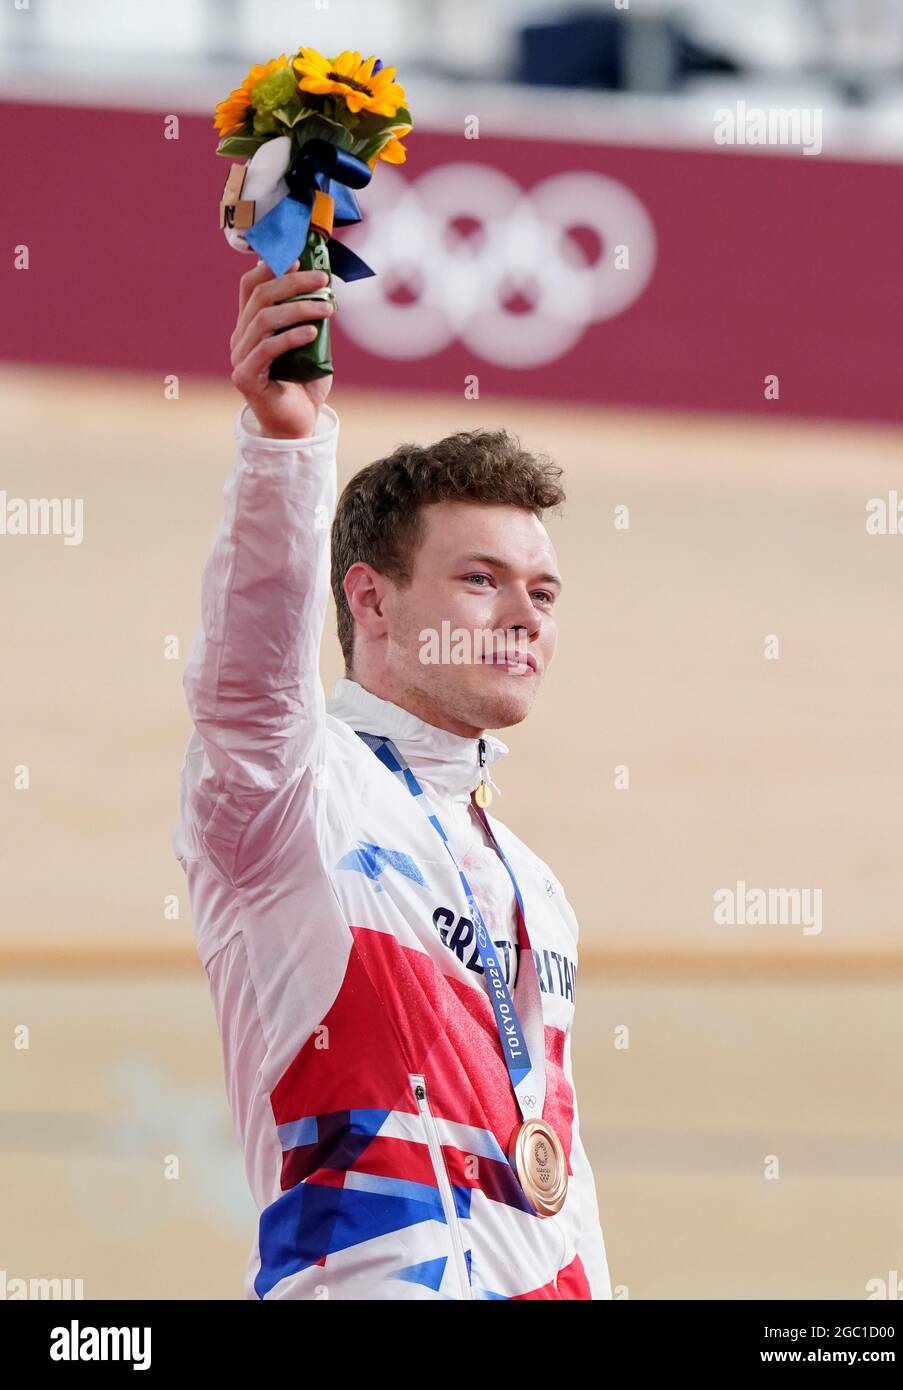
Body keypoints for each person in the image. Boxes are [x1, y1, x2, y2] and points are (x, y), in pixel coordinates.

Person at [172, 257, 612, 1300]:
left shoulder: (537, 889)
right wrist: (286, 445)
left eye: (543, 589)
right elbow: (248, 681)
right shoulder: (290, 798)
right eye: (480, 579)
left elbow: (558, 1182)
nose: (527, 615)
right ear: (371, 601)